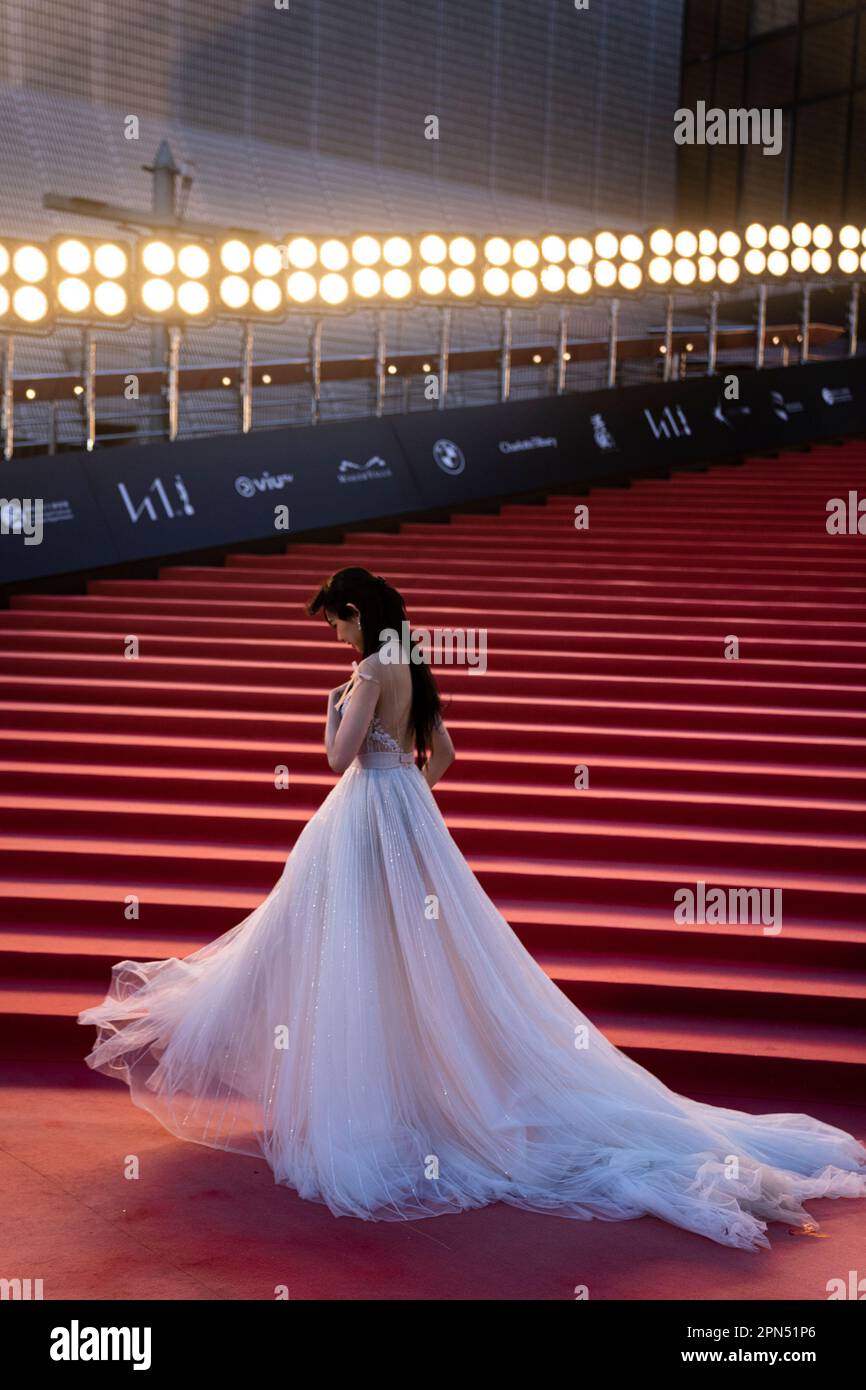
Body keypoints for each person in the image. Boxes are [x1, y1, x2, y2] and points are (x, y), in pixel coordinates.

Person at [78, 566, 866, 1250]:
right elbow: (444, 755)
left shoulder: (366, 673)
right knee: (406, 958)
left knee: (351, 954)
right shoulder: (412, 666)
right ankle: (408, 1093)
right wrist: (409, 803)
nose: (332, 640)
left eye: (333, 625)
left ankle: (374, 1106)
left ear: (356, 617)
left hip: (362, 820)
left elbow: (335, 757)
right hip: (407, 816)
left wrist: (333, 709)